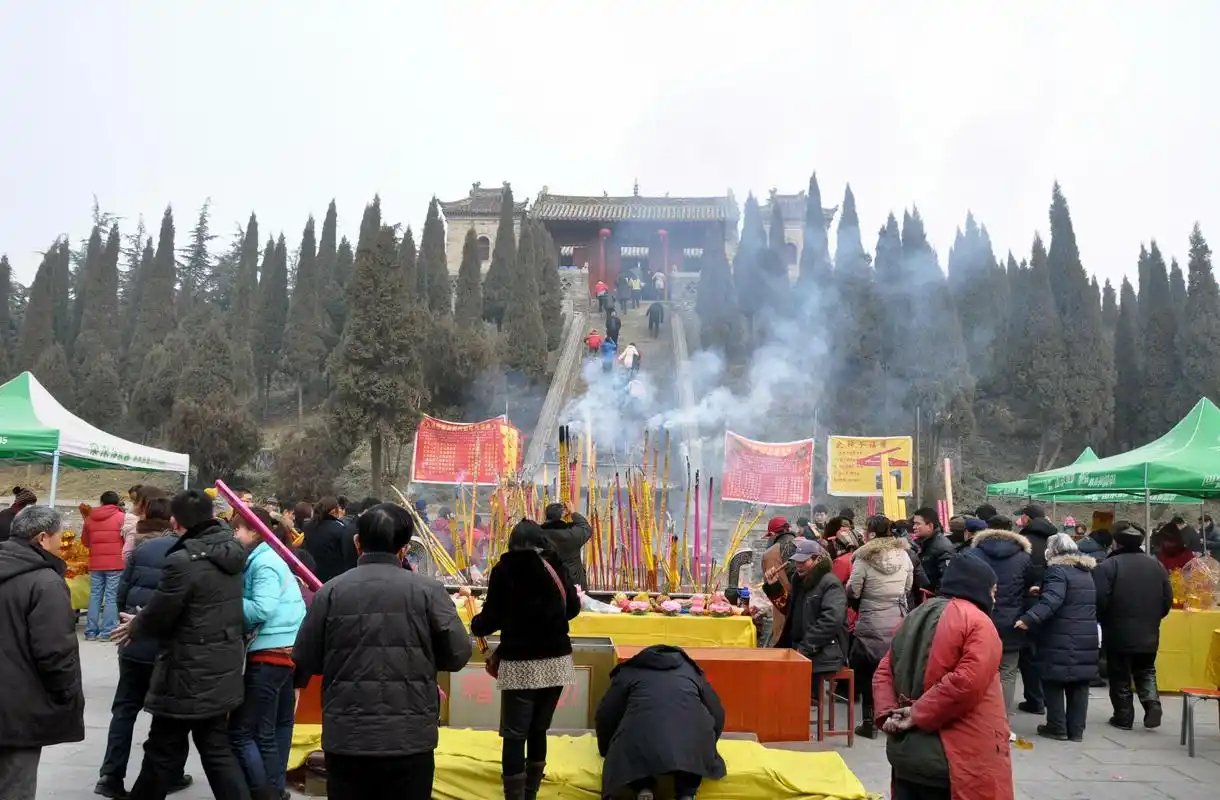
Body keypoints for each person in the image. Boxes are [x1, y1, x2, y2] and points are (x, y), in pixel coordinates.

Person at [293, 503, 472, 800]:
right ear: (404, 550)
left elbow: (306, 657)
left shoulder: (331, 592)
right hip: (410, 737)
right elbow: (458, 654)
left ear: (357, 542)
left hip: (347, 736)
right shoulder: (429, 592)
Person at [111, 490, 252, 800]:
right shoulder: (230, 552)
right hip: (220, 666)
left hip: (186, 671)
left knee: (163, 752)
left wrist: (135, 624)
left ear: (174, 522)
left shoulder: (182, 561)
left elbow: (162, 613)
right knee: (213, 750)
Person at [874, 554, 1013, 800]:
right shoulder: (978, 622)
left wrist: (887, 713)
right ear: (977, 587)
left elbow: (884, 671)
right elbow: (967, 681)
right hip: (957, 758)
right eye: (993, 590)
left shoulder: (915, 614)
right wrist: (917, 714)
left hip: (907, 754)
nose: (994, 598)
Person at [470, 520, 581, 800]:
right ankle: (531, 793)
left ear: (513, 542)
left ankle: (515, 797)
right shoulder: (555, 565)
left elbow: (490, 620)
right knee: (538, 729)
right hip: (557, 660)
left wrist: (476, 624)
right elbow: (572, 609)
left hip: (520, 662)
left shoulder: (506, 569)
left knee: (515, 734)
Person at [97, 497, 194, 799]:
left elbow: (121, 593)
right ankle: (170, 774)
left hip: (134, 642)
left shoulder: (142, 550)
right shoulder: (190, 556)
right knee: (170, 715)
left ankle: (110, 775)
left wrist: (130, 624)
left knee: (125, 710)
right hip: (167, 648)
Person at [0, 506, 84, 800]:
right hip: (17, 707)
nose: (62, 544)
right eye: (59, 537)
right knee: (15, 784)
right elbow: (54, 651)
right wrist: (66, 693)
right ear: (42, 538)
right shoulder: (45, 582)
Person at [229, 509, 307, 800]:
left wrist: (225, 601)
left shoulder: (263, 563)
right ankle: (274, 788)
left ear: (254, 531)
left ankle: (265, 793)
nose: (234, 536)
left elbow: (262, 608)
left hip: (271, 651)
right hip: (286, 647)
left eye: (237, 529)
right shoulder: (266, 558)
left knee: (241, 732)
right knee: (276, 726)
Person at [595, 645, 725, 800]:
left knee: (632, 750)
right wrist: (710, 745)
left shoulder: (629, 672)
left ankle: (643, 786)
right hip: (691, 743)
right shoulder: (691, 671)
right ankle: (686, 792)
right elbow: (717, 712)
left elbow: (606, 714)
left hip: (641, 741)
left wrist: (606, 749)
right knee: (692, 750)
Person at [1015, 533, 1098, 742]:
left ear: (1052, 551)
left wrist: (1029, 618)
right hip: (1085, 635)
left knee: (1053, 679)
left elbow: (1053, 600)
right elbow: (1071, 596)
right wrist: (1041, 589)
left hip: (1060, 635)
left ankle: (1057, 726)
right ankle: (1076, 731)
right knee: (1079, 684)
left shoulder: (1057, 570)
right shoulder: (1084, 571)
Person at [1093, 521, 1172, 730]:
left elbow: (1100, 599)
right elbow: (1167, 599)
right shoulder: (1156, 564)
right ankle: (1152, 702)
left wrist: (1104, 619)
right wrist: (1153, 617)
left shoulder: (1109, 566)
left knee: (1119, 674)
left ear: (1116, 543)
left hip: (1117, 629)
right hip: (1148, 629)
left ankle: (1124, 716)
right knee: (1146, 669)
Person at [846, 515, 913, 739]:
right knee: (893, 671)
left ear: (871, 533)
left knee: (866, 672)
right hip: (897, 619)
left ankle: (869, 722)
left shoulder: (863, 558)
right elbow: (909, 586)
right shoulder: (904, 555)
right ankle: (894, 718)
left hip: (870, 621)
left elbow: (853, 590)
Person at [967, 525, 1034, 717]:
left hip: (978, 618)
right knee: (1007, 670)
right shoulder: (1023, 557)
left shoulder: (973, 554)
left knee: (976, 668)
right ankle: (1000, 718)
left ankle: (976, 715)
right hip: (1011, 622)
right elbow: (1030, 584)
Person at [776, 538, 848, 695]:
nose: (799, 565)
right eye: (797, 562)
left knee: (794, 695)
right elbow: (788, 610)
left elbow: (831, 620)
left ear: (817, 560)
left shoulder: (830, 583)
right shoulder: (800, 581)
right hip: (799, 647)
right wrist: (773, 586)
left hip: (822, 651)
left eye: (804, 561)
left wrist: (806, 647)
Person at [1014, 504, 1056, 715]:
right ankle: (1050, 699)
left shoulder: (1023, 543)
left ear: (1028, 518)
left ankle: (1035, 699)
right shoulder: (1054, 540)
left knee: (1029, 654)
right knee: (1046, 652)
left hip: (1027, 603)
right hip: (1052, 602)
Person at [83, 490, 128, 641]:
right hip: (116, 563)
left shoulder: (89, 518)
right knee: (111, 597)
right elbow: (127, 540)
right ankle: (107, 632)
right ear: (116, 503)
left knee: (95, 596)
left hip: (96, 563)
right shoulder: (122, 517)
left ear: (101, 502)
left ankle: (90, 631)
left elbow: (85, 541)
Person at [758, 516, 799, 646]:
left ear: (773, 534)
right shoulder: (805, 546)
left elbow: (771, 584)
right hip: (807, 609)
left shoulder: (770, 554)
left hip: (784, 610)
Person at [303, 496, 357, 583]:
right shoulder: (339, 528)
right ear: (333, 511)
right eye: (338, 508)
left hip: (313, 575)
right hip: (335, 577)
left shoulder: (308, 527)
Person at [539, 502, 593, 587]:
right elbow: (586, 528)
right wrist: (573, 513)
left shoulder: (537, 535)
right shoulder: (571, 535)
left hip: (546, 583)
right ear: (562, 515)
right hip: (572, 583)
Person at [911, 507, 955, 593]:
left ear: (930, 526)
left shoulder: (942, 547)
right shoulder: (920, 543)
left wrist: (933, 599)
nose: (914, 527)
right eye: (914, 524)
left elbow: (946, 579)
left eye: (918, 524)